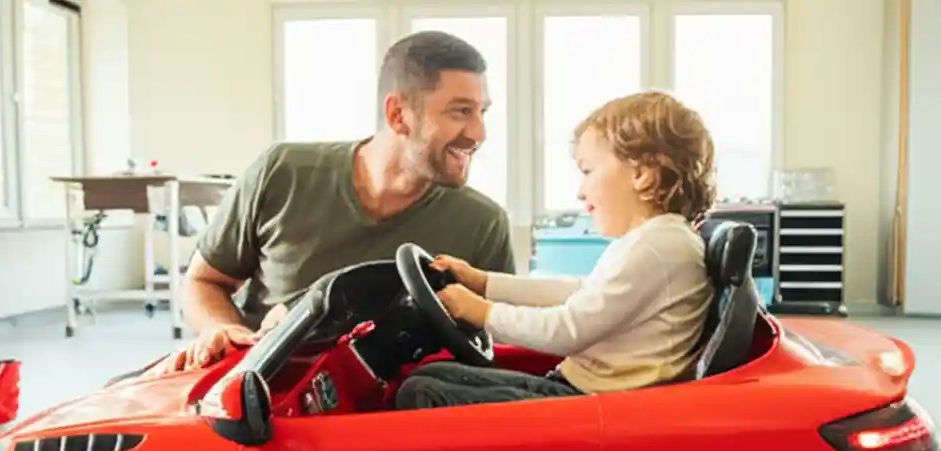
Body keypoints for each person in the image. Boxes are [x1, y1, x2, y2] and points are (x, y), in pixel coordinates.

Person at [162, 31, 515, 373]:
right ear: (398, 115)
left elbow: (498, 345)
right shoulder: (283, 171)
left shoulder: (483, 224)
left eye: (482, 112)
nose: (479, 134)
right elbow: (204, 281)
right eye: (460, 112)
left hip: (397, 408)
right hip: (265, 394)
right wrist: (219, 328)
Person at [395, 90, 716, 410]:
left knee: (422, 393)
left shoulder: (657, 247)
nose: (579, 191)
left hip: (596, 409)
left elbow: (567, 330)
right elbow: (580, 293)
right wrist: (484, 282)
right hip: (584, 393)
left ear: (642, 174)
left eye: (588, 171)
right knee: (430, 374)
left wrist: (482, 313)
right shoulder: (657, 241)